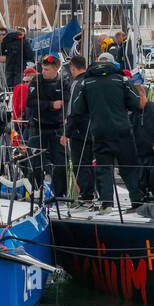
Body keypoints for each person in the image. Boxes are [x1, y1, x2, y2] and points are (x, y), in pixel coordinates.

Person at [67, 54, 147, 208]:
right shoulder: (121, 80)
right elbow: (137, 105)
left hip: (100, 132)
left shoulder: (86, 82)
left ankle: (106, 203)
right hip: (122, 131)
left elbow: (77, 110)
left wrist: (69, 131)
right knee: (129, 168)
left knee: (104, 169)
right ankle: (137, 201)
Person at [25, 55, 69, 200]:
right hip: (38, 127)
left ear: (56, 68)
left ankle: (60, 195)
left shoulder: (64, 82)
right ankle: (34, 194)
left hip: (57, 127)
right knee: (35, 163)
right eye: (42, 69)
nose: (43, 72)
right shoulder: (36, 81)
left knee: (60, 164)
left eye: (47, 69)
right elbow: (30, 102)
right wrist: (51, 105)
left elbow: (68, 105)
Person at [61, 55, 96, 202]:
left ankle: (86, 196)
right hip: (93, 129)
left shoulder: (76, 83)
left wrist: (66, 133)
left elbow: (73, 111)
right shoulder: (92, 81)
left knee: (80, 164)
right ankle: (94, 194)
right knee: (91, 164)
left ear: (73, 68)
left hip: (79, 131)